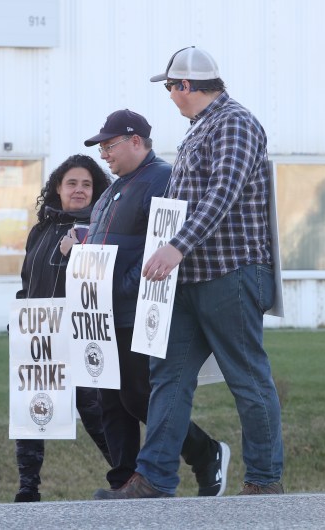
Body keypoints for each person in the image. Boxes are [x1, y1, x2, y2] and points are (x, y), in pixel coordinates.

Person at [102, 46, 284, 498]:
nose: (169, 96)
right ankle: (155, 477)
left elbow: (223, 193)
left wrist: (175, 247)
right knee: (168, 376)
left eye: (170, 87)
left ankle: (264, 480)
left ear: (186, 86)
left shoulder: (234, 122)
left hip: (232, 272)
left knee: (247, 377)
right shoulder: (200, 129)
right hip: (189, 278)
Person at [76, 109, 230, 499]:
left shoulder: (161, 179)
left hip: (136, 309)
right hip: (102, 312)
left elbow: (159, 248)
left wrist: (124, 287)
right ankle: (125, 479)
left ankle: (206, 452)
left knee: (139, 395)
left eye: (109, 145)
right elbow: (111, 243)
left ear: (136, 141)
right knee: (109, 398)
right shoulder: (115, 188)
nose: (104, 154)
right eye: (101, 147)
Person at [13, 154, 115, 502]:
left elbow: (101, 280)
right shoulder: (40, 230)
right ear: (58, 187)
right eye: (72, 183)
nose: (79, 190)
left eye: (87, 184)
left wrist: (79, 250)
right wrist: (21, 319)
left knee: (93, 409)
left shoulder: (101, 227)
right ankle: (28, 489)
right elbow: (28, 279)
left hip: (81, 332)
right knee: (32, 408)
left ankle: (127, 478)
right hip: (39, 331)